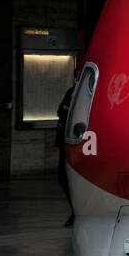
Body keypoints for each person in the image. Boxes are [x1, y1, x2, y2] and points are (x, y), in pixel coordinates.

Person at [56, 84, 75, 226]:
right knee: (62, 177)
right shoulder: (73, 91)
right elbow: (60, 111)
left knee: (66, 177)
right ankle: (75, 209)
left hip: (78, 141)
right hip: (66, 140)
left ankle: (77, 210)